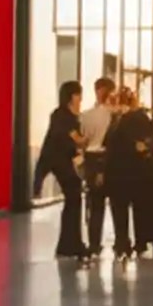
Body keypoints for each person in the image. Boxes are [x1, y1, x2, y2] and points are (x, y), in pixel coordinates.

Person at [106, 88, 153, 257]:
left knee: (120, 208)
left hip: (120, 171)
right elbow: (152, 139)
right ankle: (140, 241)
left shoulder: (117, 121)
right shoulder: (141, 118)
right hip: (137, 171)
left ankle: (123, 242)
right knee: (139, 208)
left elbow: (112, 144)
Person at [38, 81, 86, 259]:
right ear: (71, 96)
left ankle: (69, 244)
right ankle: (71, 244)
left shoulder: (67, 116)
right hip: (57, 162)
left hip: (62, 161)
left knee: (73, 198)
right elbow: (76, 139)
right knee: (74, 195)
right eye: (78, 94)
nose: (81, 98)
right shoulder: (62, 115)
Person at [81, 77, 117, 256]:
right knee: (118, 204)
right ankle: (121, 241)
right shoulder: (112, 114)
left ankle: (94, 243)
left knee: (95, 204)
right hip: (108, 158)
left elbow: (82, 141)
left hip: (90, 158)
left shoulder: (85, 115)